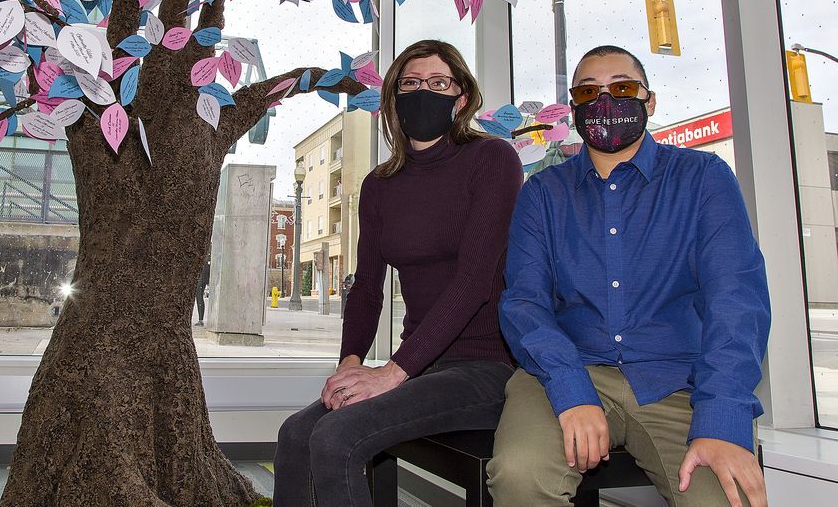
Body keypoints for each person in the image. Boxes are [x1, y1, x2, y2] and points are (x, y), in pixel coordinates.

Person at [487, 45, 770, 507]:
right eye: (588, 92)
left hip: (678, 380)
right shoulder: (543, 192)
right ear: (574, 109)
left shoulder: (703, 178)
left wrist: (722, 418)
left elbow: (737, 300)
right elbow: (524, 303)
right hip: (565, 369)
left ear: (650, 101)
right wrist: (571, 389)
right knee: (520, 476)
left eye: (621, 88)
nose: (605, 101)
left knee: (725, 498)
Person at [273, 39, 523, 507]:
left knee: (335, 437)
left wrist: (392, 372)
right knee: (295, 434)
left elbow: (473, 282)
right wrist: (351, 362)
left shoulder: (492, 159)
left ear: (461, 98)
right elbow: (367, 288)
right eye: (410, 83)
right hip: (420, 366)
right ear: (392, 97)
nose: (422, 91)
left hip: (487, 366)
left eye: (437, 82)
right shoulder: (380, 184)